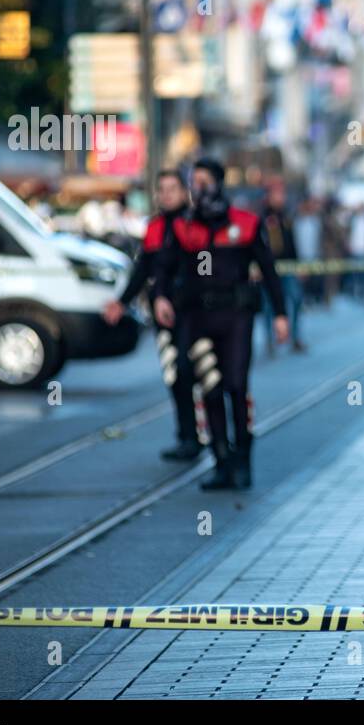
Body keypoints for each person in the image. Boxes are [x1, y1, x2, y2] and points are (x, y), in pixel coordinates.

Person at [153, 158, 290, 490]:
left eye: (203, 181)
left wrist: (281, 315)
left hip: (236, 319)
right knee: (210, 389)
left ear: (217, 183)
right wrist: (159, 296)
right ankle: (221, 461)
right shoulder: (184, 227)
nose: (197, 188)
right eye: (193, 182)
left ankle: (243, 460)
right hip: (197, 320)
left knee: (236, 386)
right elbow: (164, 266)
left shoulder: (245, 224)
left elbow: (268, 270)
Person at [102, 169, 199, 461]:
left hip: (196, 313)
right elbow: (144, 268)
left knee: (196, 373)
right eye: (162, 189)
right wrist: (121, 302)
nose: (167, 194)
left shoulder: (195, 223)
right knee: (175, 375)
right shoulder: (156, 227)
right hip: (165, 315)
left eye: (173, 188)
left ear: (185, 192)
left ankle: (210, 434)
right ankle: (187, 436)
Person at [260, 180, 307, 355]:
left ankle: (295, 337)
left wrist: (298, 265)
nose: (281, 198)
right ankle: (270, 341)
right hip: (268, 268)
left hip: (288, 267)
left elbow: (292, 243)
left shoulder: (286, 216)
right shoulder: (262, 218)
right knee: (268, 306)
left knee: (295, 299)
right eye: (278, 194)